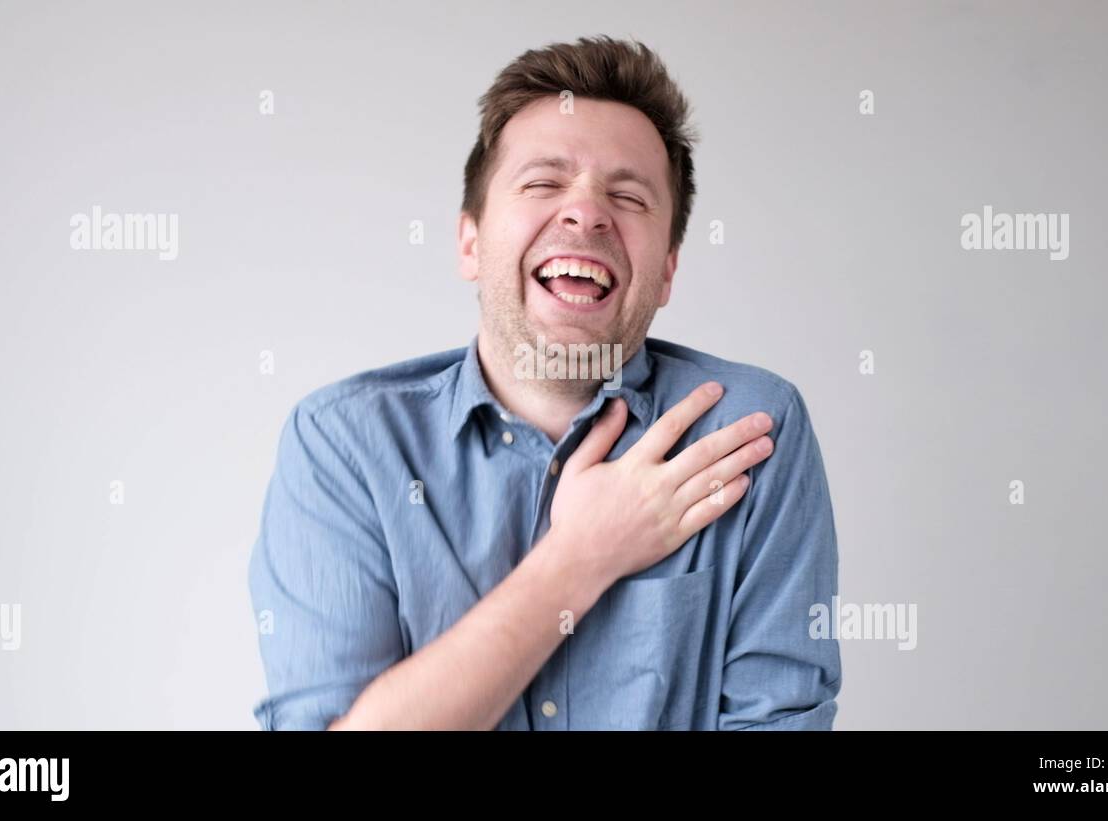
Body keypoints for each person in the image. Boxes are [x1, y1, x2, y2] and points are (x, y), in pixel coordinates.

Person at [248, 35, 841, 730]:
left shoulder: (751, 430)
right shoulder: (342, 445)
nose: (586, 213)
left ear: (670, 268)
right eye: (543, 183)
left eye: (628, 195)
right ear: (470, 241)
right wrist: (577, 559)